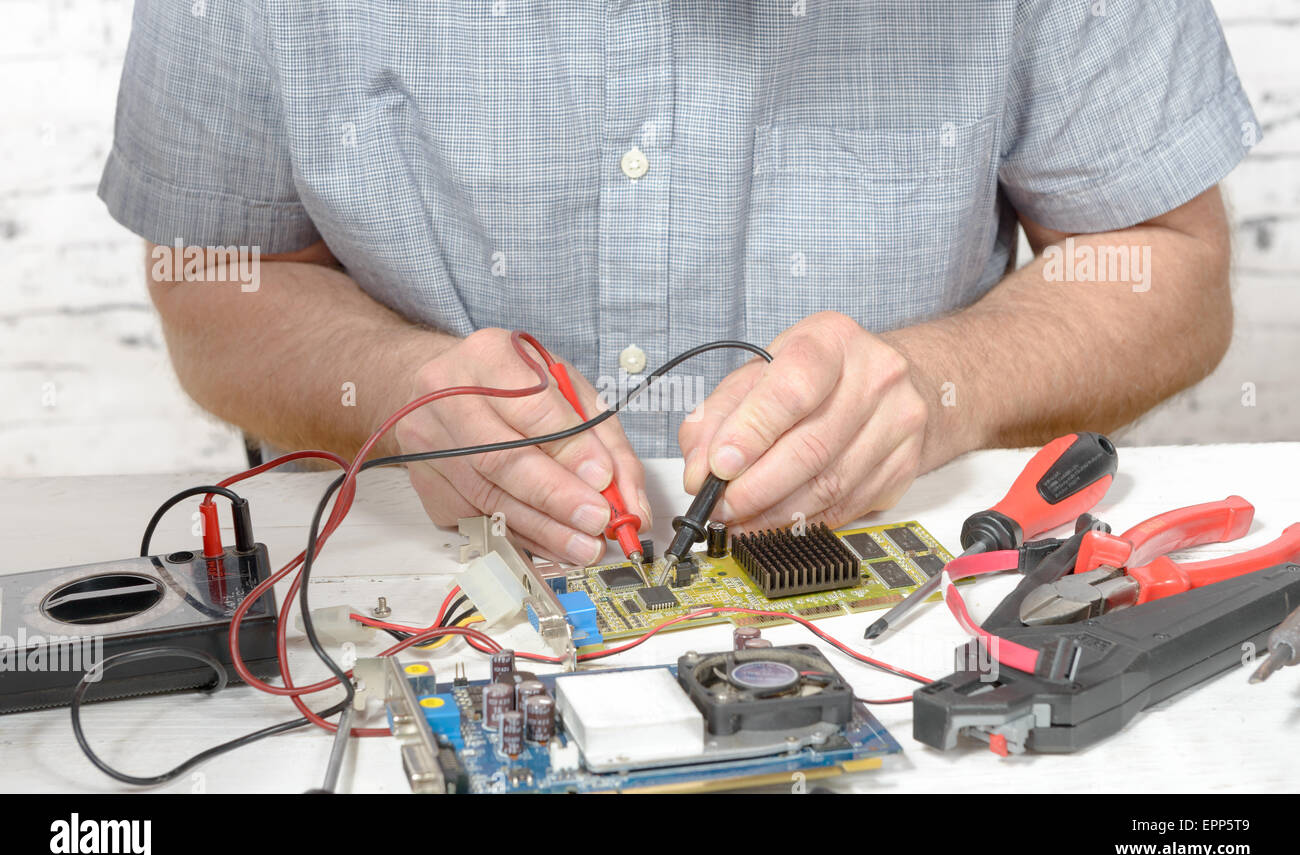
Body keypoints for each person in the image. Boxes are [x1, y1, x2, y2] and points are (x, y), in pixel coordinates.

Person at [100, 1, 1255, 566]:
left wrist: (939, 384)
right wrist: (399, 389)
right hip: (412, 594)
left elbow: (1168, 259)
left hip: (890, 601)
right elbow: (222, 277)